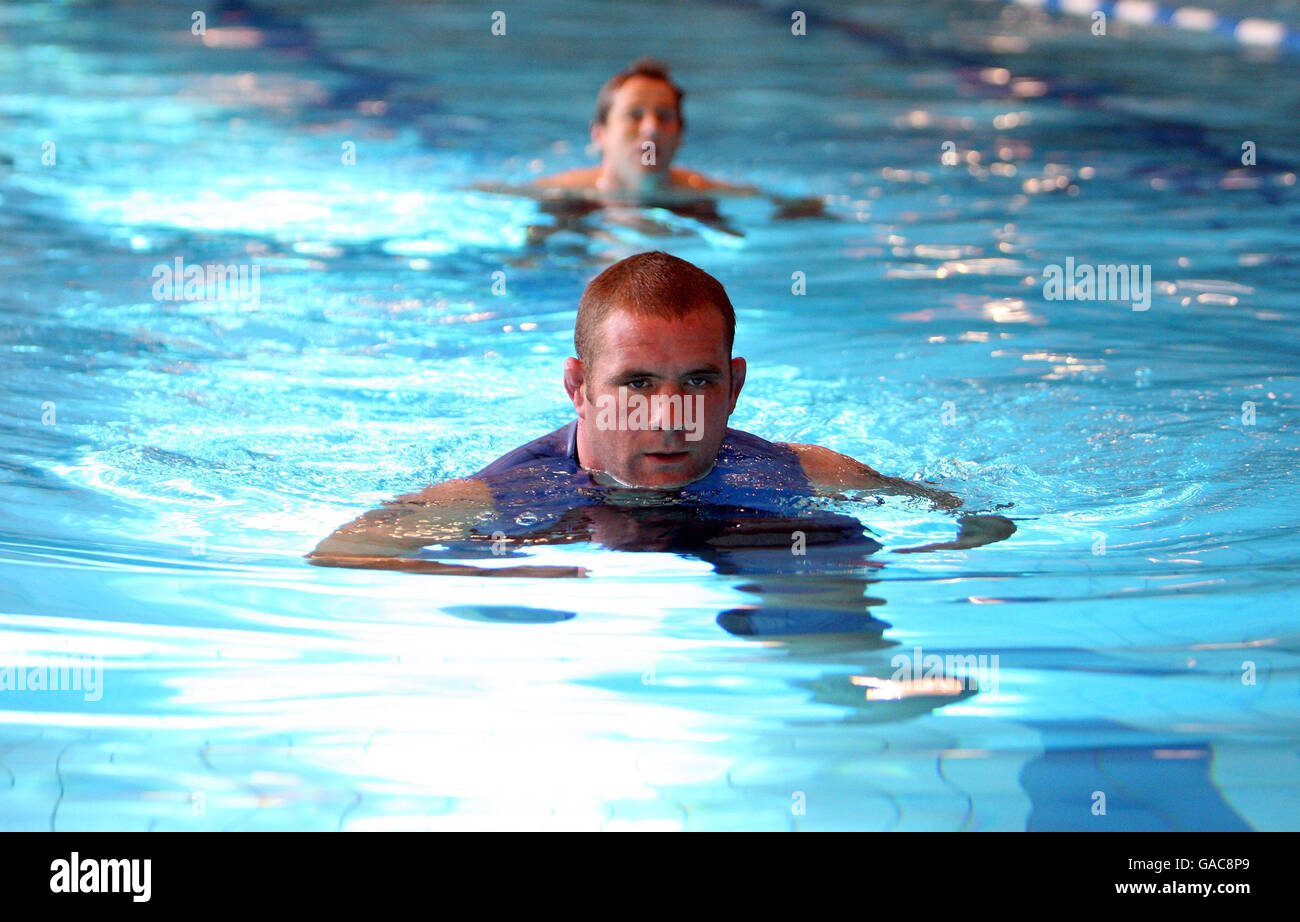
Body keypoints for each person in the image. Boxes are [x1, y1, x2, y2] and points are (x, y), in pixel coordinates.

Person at [308, 251, 1015, 575]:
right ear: (579, 388)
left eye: (699, 381)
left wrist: (925, 557)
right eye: (638, 383)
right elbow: (340, 552)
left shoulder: (802, 471)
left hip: (747, 537)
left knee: (829, 568)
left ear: (735, 386)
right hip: (571, 553)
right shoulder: (509, 493)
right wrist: (493, 571)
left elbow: (973, 517)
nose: (672, 416)